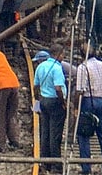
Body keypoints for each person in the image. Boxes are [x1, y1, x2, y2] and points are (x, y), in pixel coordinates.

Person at [76, 46, 102, 175]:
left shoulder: (83, 67)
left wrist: (76, 107)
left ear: (81, 55)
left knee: (83, 134)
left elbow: (80, 89)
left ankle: (86, 168)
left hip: (88, 101)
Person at [33, 44, 67, 173]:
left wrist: (38, 100)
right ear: (58, 54)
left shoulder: (41, 66)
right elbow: (58, 88)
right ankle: (56, 165)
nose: (63, 57)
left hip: (43, 101)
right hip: (55, 102)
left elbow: (35, 86)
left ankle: (44, 162)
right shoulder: (57, 68)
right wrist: (62, 102)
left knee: (45, 132)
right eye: (63, 54)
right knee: (55, 134)